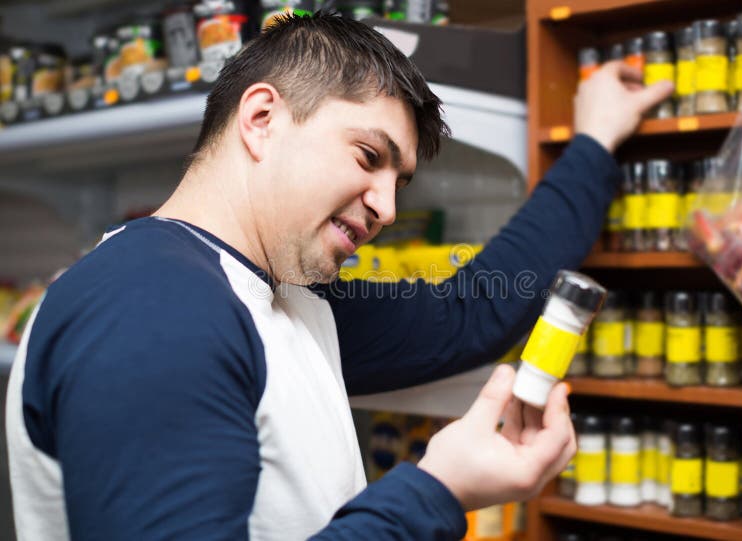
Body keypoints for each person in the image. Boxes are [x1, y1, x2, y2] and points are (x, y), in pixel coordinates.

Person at [5, 13, 672, 541]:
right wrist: (438, 488)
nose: (386, 206)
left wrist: (593, 144)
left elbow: (467, 313)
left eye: (398, 180)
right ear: (261, 119)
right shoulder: (153, 307)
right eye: (367, 155)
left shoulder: (276, 297)